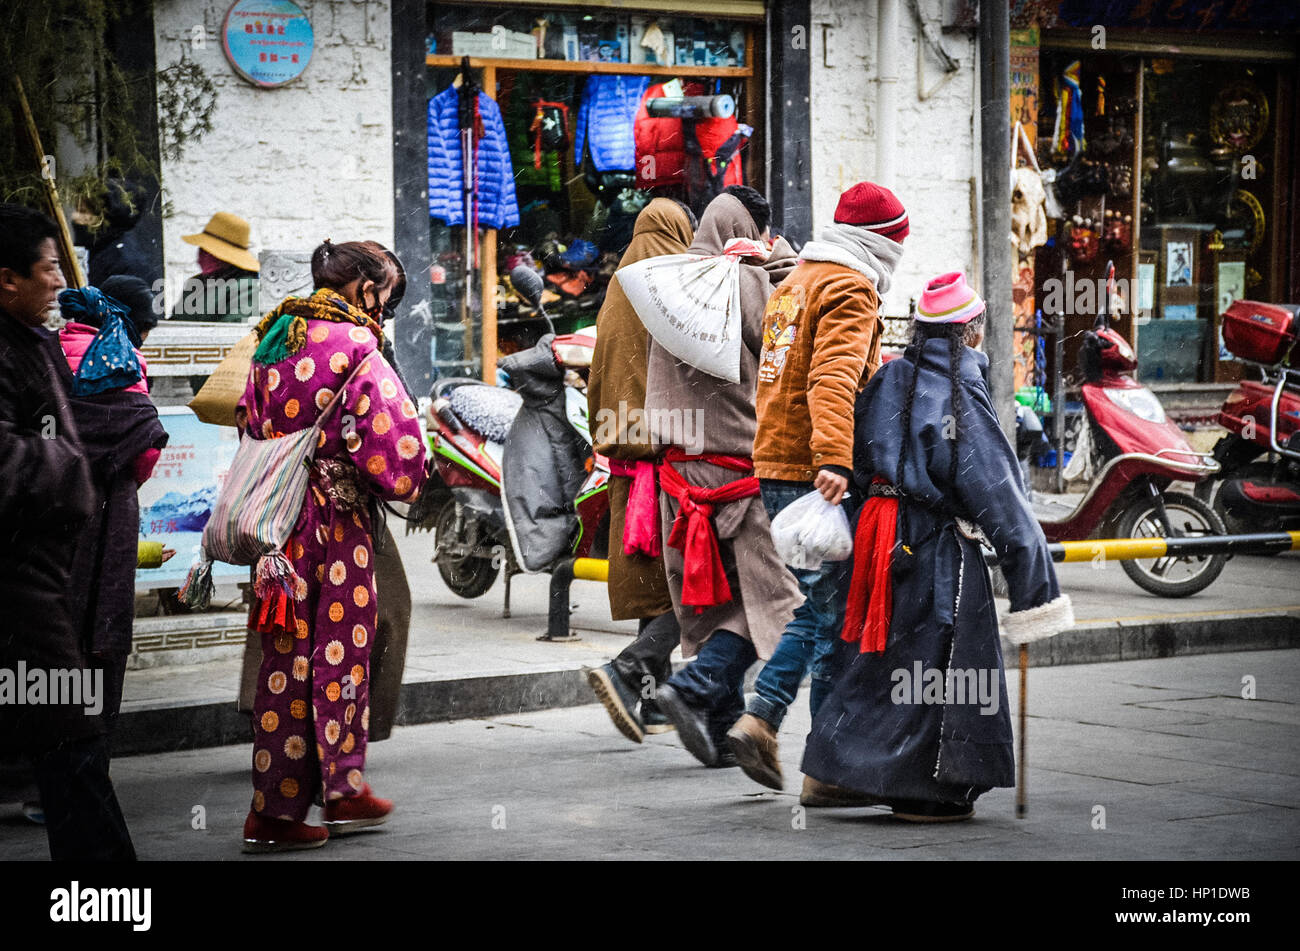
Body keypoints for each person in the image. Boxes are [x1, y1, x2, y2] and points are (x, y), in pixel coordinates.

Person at [801, 272, 1073, 821]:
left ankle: (833, 769)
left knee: (880, 660)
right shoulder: (960, 392)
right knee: (934, 659)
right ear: (970, 333)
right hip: (930, 541)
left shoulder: (888, 378)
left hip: (875, 535)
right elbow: (998, 492)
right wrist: (1034, 584)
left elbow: (857, 457)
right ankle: (924, 789)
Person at [237, 239, 427, 852]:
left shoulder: (274, 338)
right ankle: (334, 790)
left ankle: (284, 805)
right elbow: (397, 452)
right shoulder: (355, 347)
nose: (386, 310)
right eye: (387, 296)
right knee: (341, 653)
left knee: (283, 661)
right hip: (336, 526)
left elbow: (248, 418)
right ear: (364, 290)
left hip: (279, 529)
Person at [729, 181, 907, 802]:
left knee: (820, 606)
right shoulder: (849, 287)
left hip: (776, 459)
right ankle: (812, 758)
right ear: (884, 242)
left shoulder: (799, 279)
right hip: (814, 467)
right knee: (832, 618)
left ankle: (793, 739)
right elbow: (832, 379)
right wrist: (834, 458)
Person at [642, 188, 803, 768]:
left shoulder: (667, 289)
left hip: (679, 480)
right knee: (782, 602)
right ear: (753, 231)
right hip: (741, 473)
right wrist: (784, 265)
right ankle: (697, 688)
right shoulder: (750, 284)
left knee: (717, 602)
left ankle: (713, 731)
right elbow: (787, 347)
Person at [0, 203, 136, 860]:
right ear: (7, 278)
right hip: (19, 593)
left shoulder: (32, 339)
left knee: (69, 751)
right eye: (49, 267)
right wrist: (70, 466)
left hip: (39, 587)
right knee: (74, 750)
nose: (58, 281)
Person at [584, 197, 695, 743]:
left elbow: (600, 369)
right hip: (673, 455)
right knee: (685, 585)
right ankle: (628, 669)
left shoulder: (618, 284)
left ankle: (650, 704)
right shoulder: (676, 282)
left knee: (651, 580)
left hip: (626, 455)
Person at [57, 285, 168, 740]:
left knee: (50, 636)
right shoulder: (122, 361)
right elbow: (144, 450)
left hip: (44, 515)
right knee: (99, 634)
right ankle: (84, 755)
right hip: (108, 514)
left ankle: (32, 773)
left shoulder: (45, 352)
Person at [171, 211, 261, 322]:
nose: (202, 255)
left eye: (209, 251)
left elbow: (234, 332)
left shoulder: (247, 288)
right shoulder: (194, 284)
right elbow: (175, 323)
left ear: (226, 258)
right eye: (202, 249)